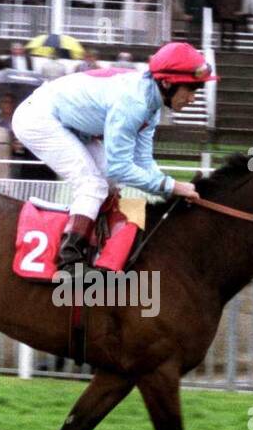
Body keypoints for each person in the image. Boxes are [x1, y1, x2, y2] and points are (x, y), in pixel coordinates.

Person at [11, 41, 214, 275]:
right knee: (92, 184)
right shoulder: (134, 103)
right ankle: (69, 262)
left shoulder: (152, 106)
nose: (192, 98)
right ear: (167, 82)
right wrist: (172, 186)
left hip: (69, 123)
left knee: (109, 182)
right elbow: (121, 167)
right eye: (191, 89)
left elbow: (143, 163)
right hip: (38, 118)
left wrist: (171, 189)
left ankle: (96, 243)